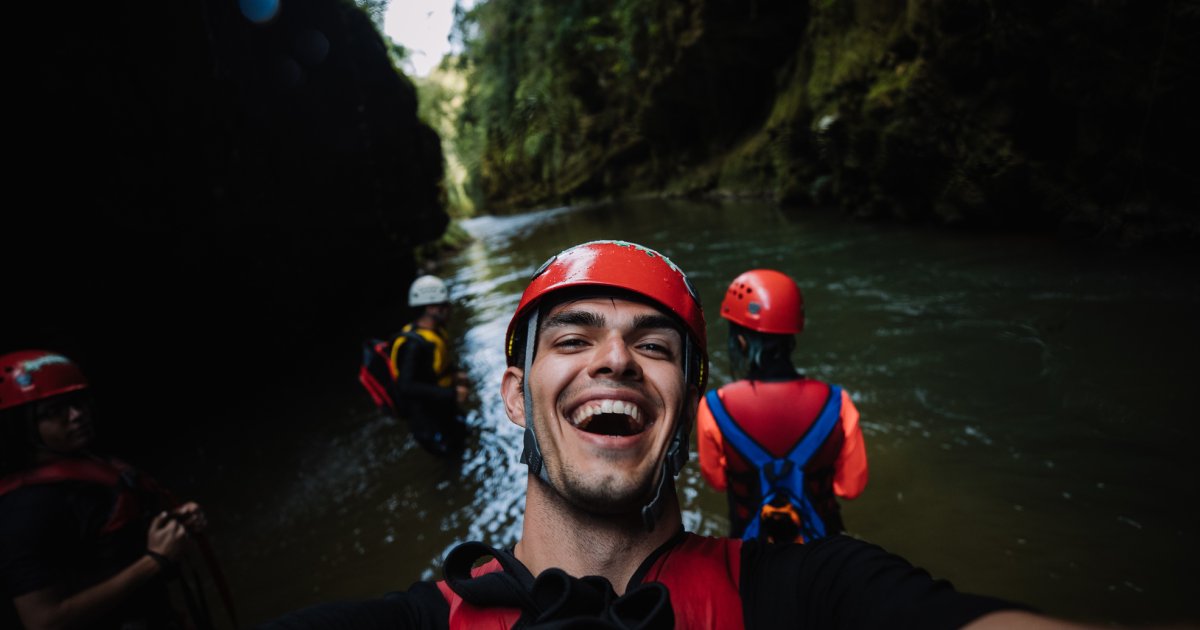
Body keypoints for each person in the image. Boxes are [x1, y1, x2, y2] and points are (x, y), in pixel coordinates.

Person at [259, 240, 1112, 629]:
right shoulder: (415, 623)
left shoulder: (817, 596)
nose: (615, 359)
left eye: (655, 347)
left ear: (689, 395)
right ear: (516, 395)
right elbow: (849, 485)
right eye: (573, 338)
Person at [0, 350, 216, 630]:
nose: (77, 415)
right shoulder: (25, 510)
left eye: (78, 402)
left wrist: (173, 524)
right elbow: (43, 622)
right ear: (20, 427)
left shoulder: (88, 466)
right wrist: (154, 561)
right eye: (54, 412)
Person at [697, 269, 868, 544]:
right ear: (792, 336)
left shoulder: (715, 407)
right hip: (823, 549)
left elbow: (717, 481)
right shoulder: (838, 402)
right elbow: (851, 487)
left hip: (752, 549)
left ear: (741, 340)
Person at [387, 275, 471, 456]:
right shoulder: (412, 344)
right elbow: (406, 386)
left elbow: (434, 367)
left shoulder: (435, 331)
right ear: (431, 308)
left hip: (443, 407)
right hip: (428, 418)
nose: (449, 309)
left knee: (461, 439)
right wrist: (453, 394)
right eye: (444, 305)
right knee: (450, 455)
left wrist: (455, 374)